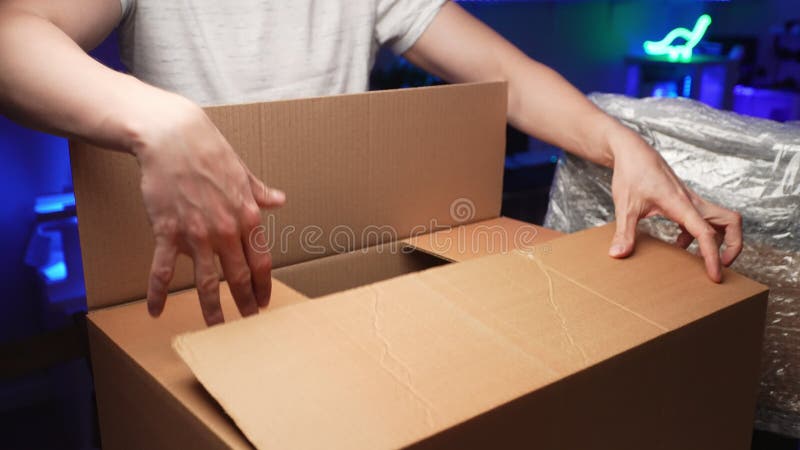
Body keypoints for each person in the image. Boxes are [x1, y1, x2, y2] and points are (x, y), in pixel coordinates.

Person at [0, 0, 742, 326]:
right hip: (199, 288)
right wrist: (155, 118)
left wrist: (625, 148)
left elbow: (502, 72)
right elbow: (12, 36)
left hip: (338, 281)